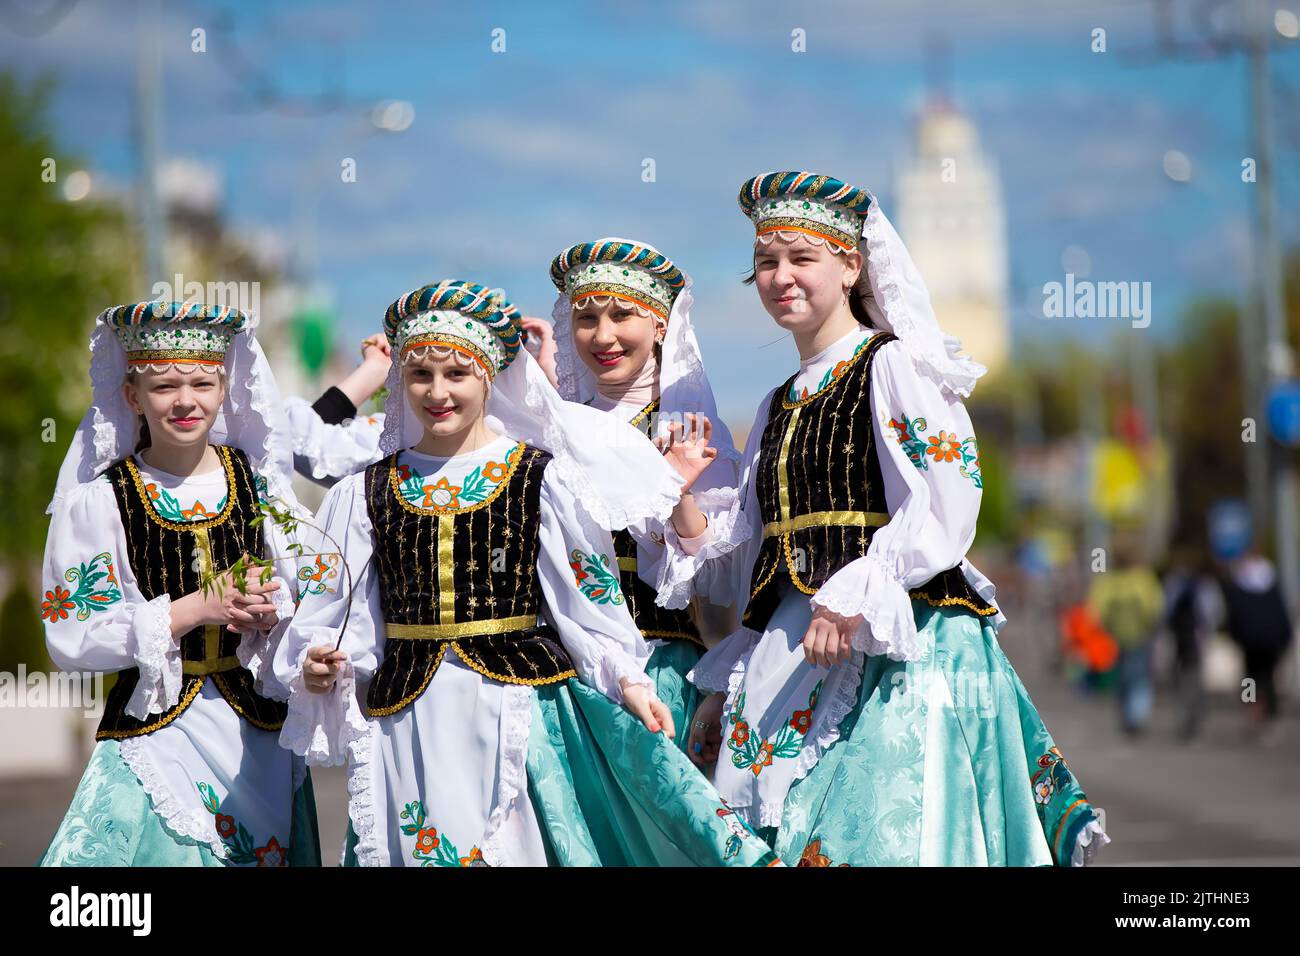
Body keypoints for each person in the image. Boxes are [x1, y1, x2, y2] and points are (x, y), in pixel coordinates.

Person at [677, 171, 1109, 866]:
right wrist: (682, 501)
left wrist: (857, 593)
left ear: (851, 265)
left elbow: (946, 497)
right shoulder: (776, 403)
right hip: (791, 652)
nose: (781, 277)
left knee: (877, 837)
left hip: (893, 639)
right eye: (765, 262)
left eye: (800, 258)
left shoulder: (894, 366)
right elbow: (754, 551)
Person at [273, 279, 780, 866]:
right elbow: (334, 612)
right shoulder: (365, 493)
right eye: (420, 376)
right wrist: (319, 664)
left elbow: (586, 597)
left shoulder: (537, 478)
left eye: (457, 374)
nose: (438, 392)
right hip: (410, 721)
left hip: (515, 708)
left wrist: (628, 681)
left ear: (488, 377)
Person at [39, 300, 319, 866]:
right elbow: (70, 632)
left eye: (201, 382)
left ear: (224, 389)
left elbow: (316, 589)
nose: (185, 400)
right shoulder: (101, 500)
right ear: (132, 395)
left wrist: (271, 615)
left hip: (254, 733)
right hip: (155, 731)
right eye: (165, 385)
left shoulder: (261, 488)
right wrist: (193, 608)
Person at [529, 237, 745, 749]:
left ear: (660, 325)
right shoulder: (552, 432)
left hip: (661, 665)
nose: (603, 335)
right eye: (586, 318)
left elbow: (720, 582)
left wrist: (674, 492)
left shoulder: (689, 429)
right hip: (559, 670)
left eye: (622, 314)